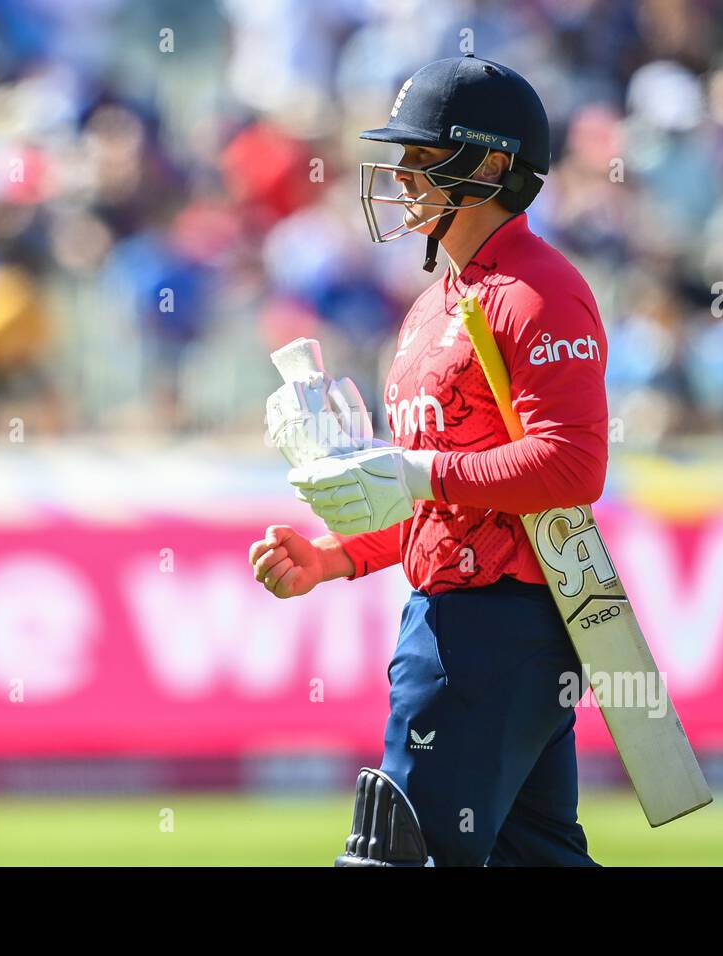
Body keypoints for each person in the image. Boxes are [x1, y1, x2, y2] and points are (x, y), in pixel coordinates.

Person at [248, 54, 608, 867]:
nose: (403, 178)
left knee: (398, 858)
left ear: (489, 164)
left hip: (494, 623)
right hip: (458, 616)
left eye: (422, 157)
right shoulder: (433, 308)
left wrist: (418, 474)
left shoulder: (539, 291)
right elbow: (428, 496)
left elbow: (571, 465)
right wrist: (335, 556)